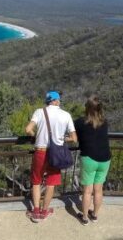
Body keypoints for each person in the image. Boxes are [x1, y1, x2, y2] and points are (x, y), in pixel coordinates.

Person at [24, 90, 76, 223]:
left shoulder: (39, 112)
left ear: (47, 101)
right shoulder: (66, 115)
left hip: (40, 151)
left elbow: (28, 129)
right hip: (56, 153)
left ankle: (35, 211)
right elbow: (74, 138)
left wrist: (36, 136)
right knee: (51, 183)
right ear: (57, 101)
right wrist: (61, 139)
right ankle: (44, 211)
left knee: (36, 181)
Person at [73, 95, 111, 225]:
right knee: (98, 190)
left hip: (89, 158)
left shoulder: (79, 122)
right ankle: (94, 215)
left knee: (87, 190)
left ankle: (84, 217)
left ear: (87, 108)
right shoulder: (104, 122)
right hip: (105, 158)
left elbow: (73, 137)